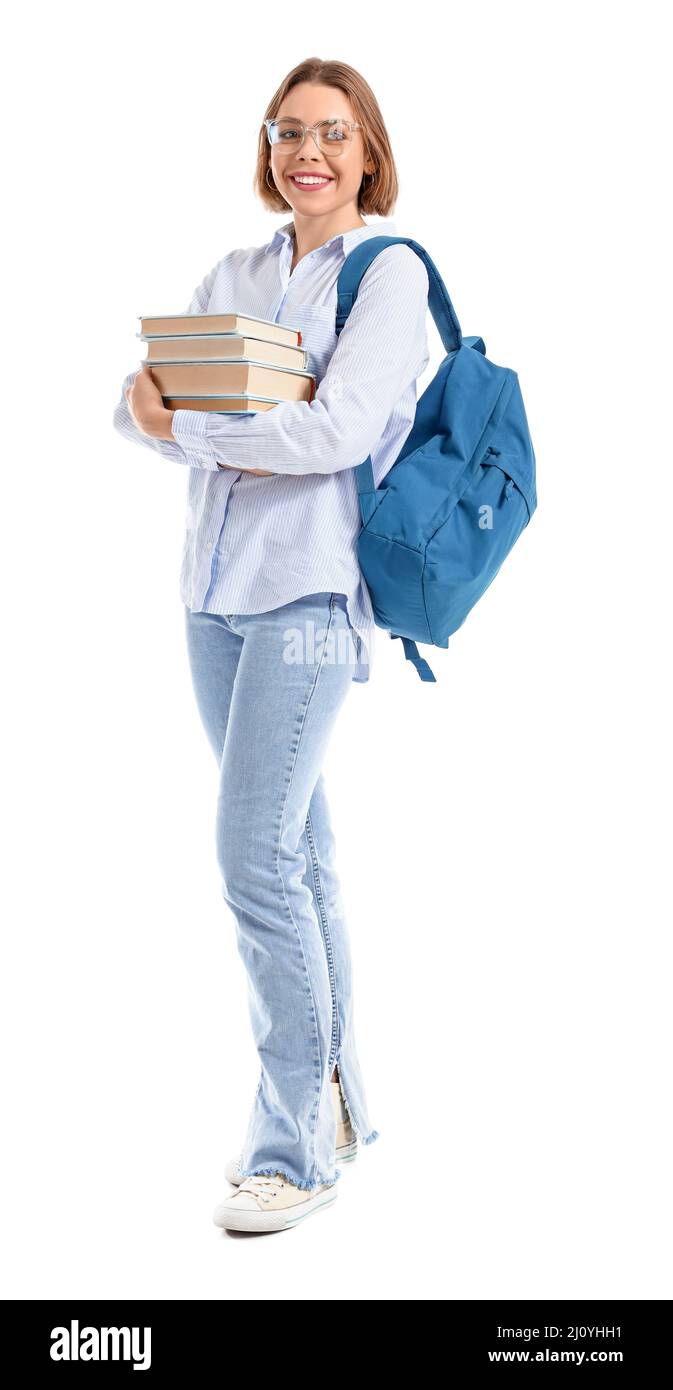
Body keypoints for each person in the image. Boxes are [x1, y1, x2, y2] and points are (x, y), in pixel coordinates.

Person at [112, 55, 430, 1235]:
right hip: (210, 593)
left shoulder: (384, 271)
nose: (310, 152)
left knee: (253, 857)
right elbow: (132, 402)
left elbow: (339, 430)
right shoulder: (236, 269)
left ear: (366, 151)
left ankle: (291, 1150)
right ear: (268, 146)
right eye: (290, 130)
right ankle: (336, 1107)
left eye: (333, 134)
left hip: (307, 598)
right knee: (299, 856)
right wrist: (216, 424)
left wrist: (195, 423)